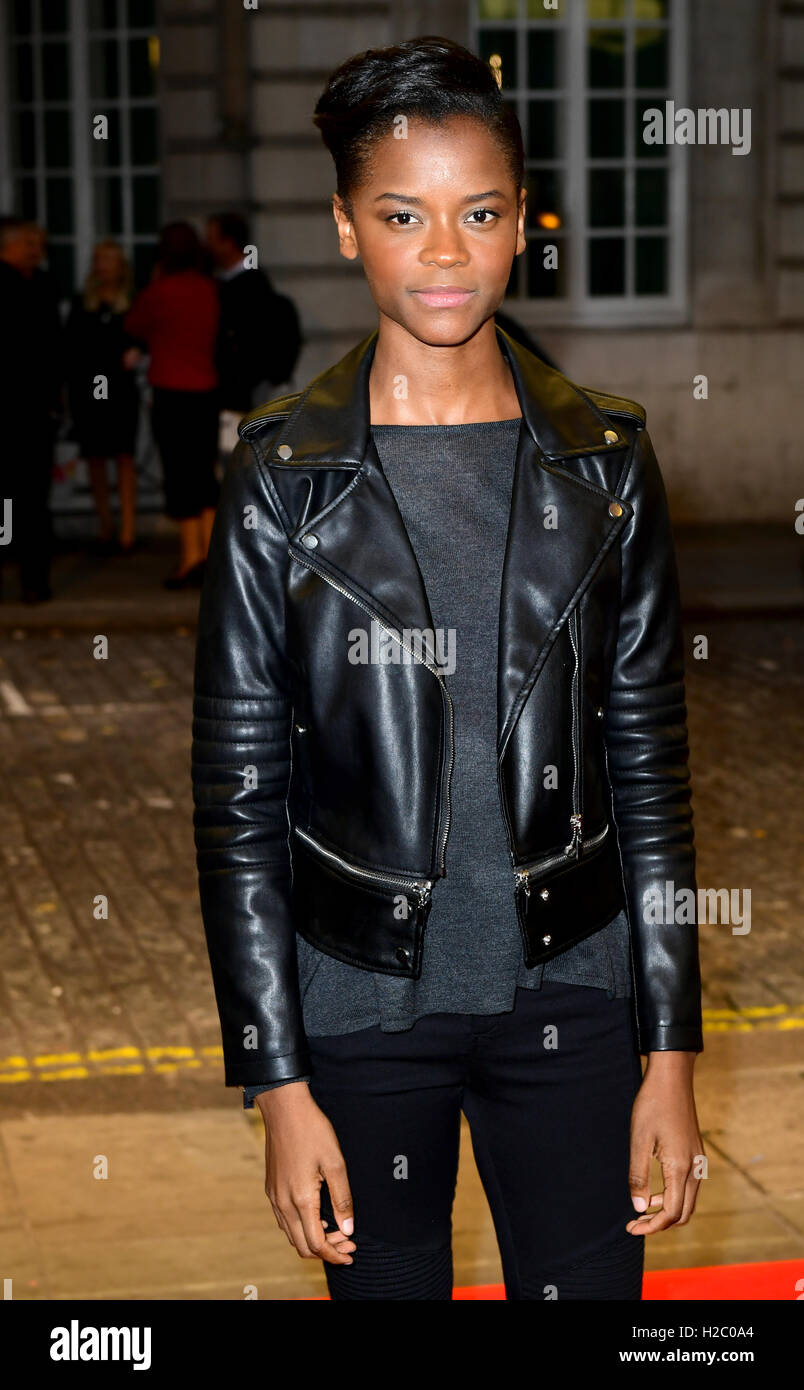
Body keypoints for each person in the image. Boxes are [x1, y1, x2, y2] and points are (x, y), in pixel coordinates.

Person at [192, 38, 704, 1302]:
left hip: (574, 999)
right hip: (362, 1016)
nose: (443, 252)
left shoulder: (605, 463)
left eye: (479, 214)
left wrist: (671, 1052)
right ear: (347, 228)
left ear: (522, 221)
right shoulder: (280, 479)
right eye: (401, 215)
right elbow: (240, 801)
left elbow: (649, 768)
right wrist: (277, 1082)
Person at [125, 222, 219, 589]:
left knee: (180, 476)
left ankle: (191, 556)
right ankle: (210, 556)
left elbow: (134, 325)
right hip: (206, 389)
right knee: (203, 472)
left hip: (170, 390)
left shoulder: (158, 291)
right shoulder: (210, 290)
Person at [0, 216, 63, 603]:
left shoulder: (42, 285)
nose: (36, 250)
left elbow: (54, 347)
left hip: (35, 412)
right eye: (29, 243)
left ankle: (34, 580)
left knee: (34, 499)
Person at [65, 240, 141, 554]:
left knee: (124, 457)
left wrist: (139, 352)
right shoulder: (82, 303)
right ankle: (105, 523)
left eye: (109, 261)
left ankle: (128, 528)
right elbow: (70, 346)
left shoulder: (133, 302)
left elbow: (143, 336)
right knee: (96, 457)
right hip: (89, 388)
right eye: (99, 261)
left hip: (121, 388)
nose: (103, 267)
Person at [206, 211, 302, 451]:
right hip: (237, 393)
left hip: (245, 393)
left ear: (228, 242)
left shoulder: (249, 287)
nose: (206, 247)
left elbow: (254, 345)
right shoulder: (229, 283)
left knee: (241, 458)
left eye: (212, 239)